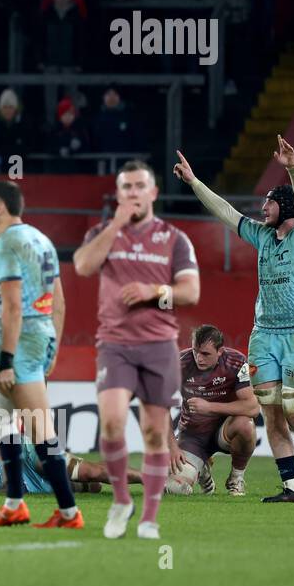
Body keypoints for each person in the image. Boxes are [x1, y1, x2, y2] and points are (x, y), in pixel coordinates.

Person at [175, 136, 294, 503]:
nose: (261, 207)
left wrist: (293, 168)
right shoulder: (262, 236)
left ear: (283, 206)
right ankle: (292, 489)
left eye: (268, 202)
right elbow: (225, 212)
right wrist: (194, 182)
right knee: (272, 415)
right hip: (264, 336)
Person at [73, 160, 201, 538]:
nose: (132, 192)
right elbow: (81, 265)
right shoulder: (103, 231)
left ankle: (149, 517)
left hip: (159, 346)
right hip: (115, 345)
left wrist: (154, 292)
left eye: (138, 186)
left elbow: (190, 292)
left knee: (152, 431)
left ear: (153, 192)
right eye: (125, 186)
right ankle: (120, 500)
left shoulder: (174, 239)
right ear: (119, 194)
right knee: (111, 421)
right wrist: (114, 225)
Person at [0, 180, 81, 529]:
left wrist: (5, 362)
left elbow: (14, 307)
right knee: (0, 416)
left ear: (0, 208)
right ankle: (14, 503)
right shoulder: (42, 241)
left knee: (39, 429)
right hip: (41, 336)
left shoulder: (4, 245)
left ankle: (69, 512)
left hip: (21, 340)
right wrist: (54, 347)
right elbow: (61, 302)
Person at [0, 419, 142, 494]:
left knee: (90, 472)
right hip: (24, 483)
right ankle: (82, 485)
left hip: (23, 450)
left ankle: (151, 479)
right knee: (91, 486)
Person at [166, 325, 258, 497]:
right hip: (193, 435)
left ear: (220, 351)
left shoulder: (237, 361)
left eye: (206, 354)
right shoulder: (179, 364)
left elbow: (252, 407)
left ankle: (236, 478)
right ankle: (203, 472)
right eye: (195, 351)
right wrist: (172, 446)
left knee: (246, 425)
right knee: (175, 488)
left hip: (225, 430)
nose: (199, 358)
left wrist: (209, 407)